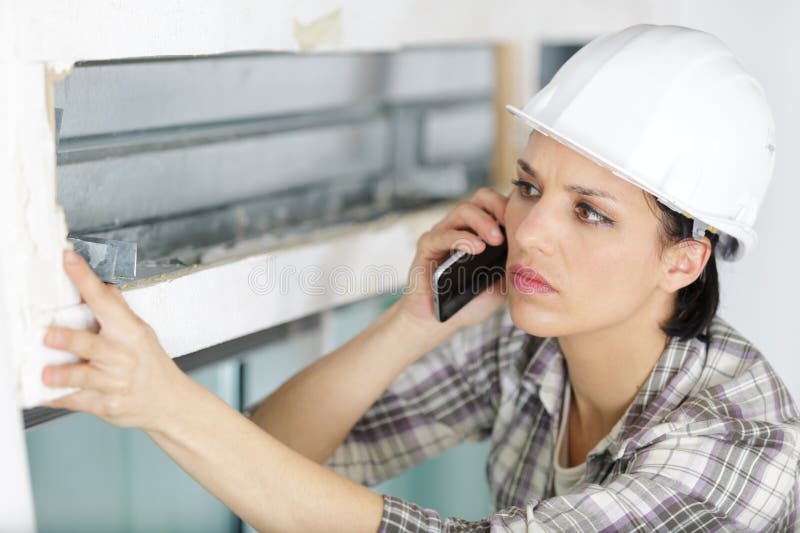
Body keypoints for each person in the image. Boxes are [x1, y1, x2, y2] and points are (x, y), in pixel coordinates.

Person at [40, 24, 799, 532]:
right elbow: (276, 454)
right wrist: (411, 320)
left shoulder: (740, 448)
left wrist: (166, 399)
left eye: (590, 213)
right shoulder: (527, 353)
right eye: (528, 186)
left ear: (683, 260)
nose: (531, 232)